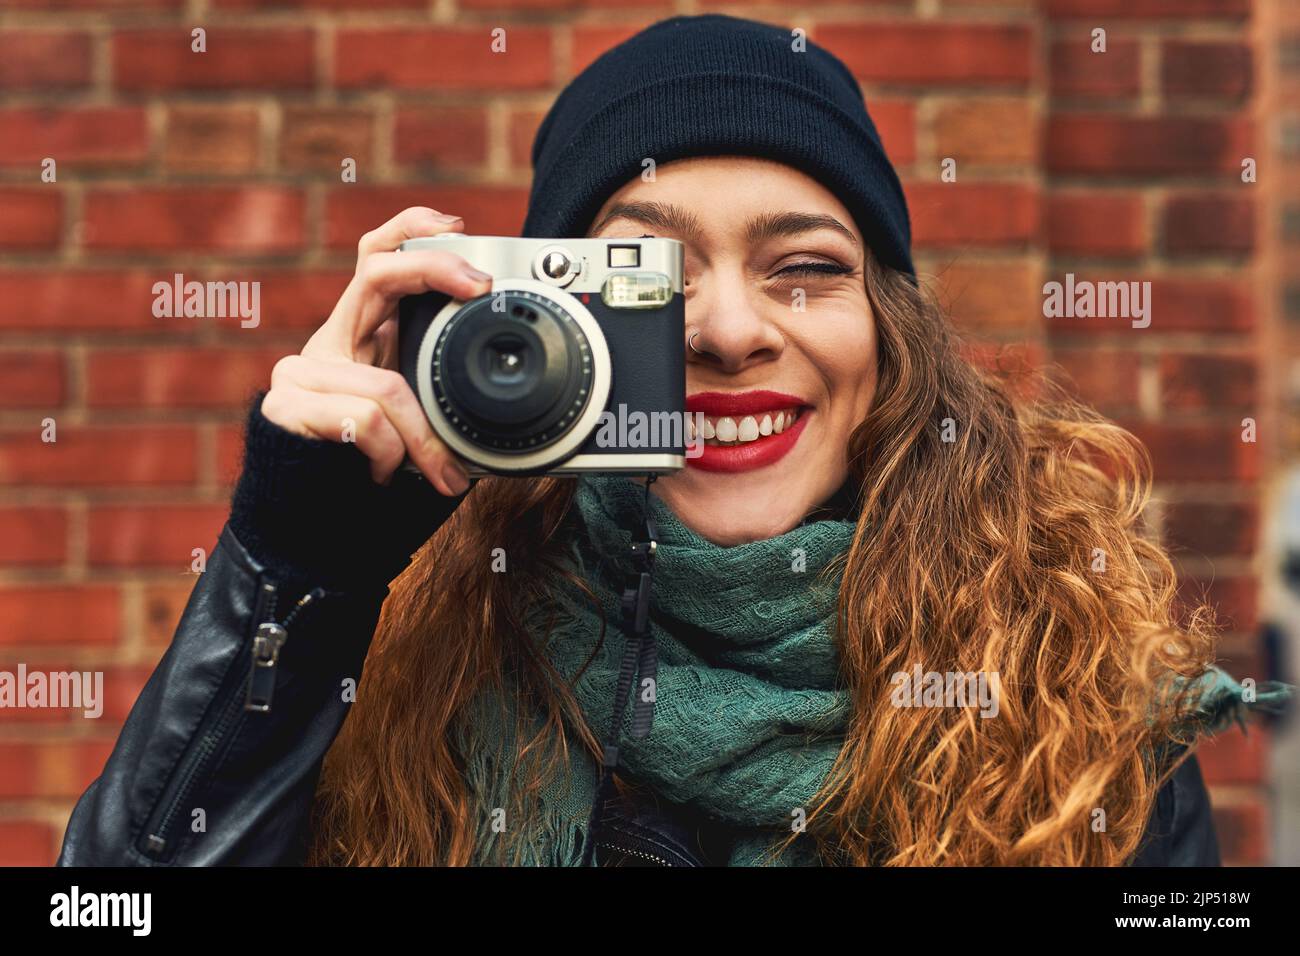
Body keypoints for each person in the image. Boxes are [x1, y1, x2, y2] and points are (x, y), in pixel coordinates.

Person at [57, 13, 1266, 867]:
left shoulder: (1087, 717)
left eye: (804, 270)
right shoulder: (389, 672)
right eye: (650, 278)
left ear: (891, 341)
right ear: (537, 329)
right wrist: (296, 571)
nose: (730, 329)